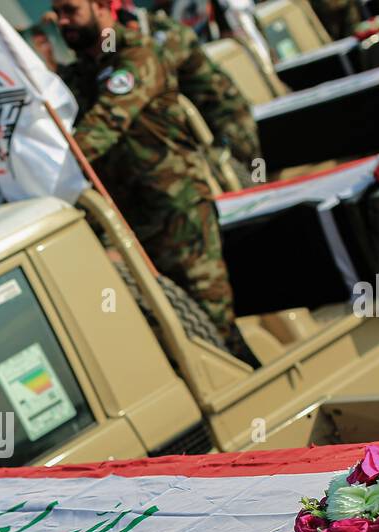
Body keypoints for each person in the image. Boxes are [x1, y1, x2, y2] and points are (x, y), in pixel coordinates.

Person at [53, 0, 238, 343]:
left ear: (100, 6)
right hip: (133, 229)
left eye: (71, 10)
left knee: (216, 332)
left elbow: (105, 125)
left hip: (179, 215)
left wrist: (51, 171)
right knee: (179, 335)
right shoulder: (76, 78)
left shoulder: (138, 55)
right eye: (58, 14)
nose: (63, 22)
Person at [140, 6, 261, 169]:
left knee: (252, 179)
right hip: (207, 127)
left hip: (227, 118)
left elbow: (154, 78)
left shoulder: (167, 33)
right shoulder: (148, 33)